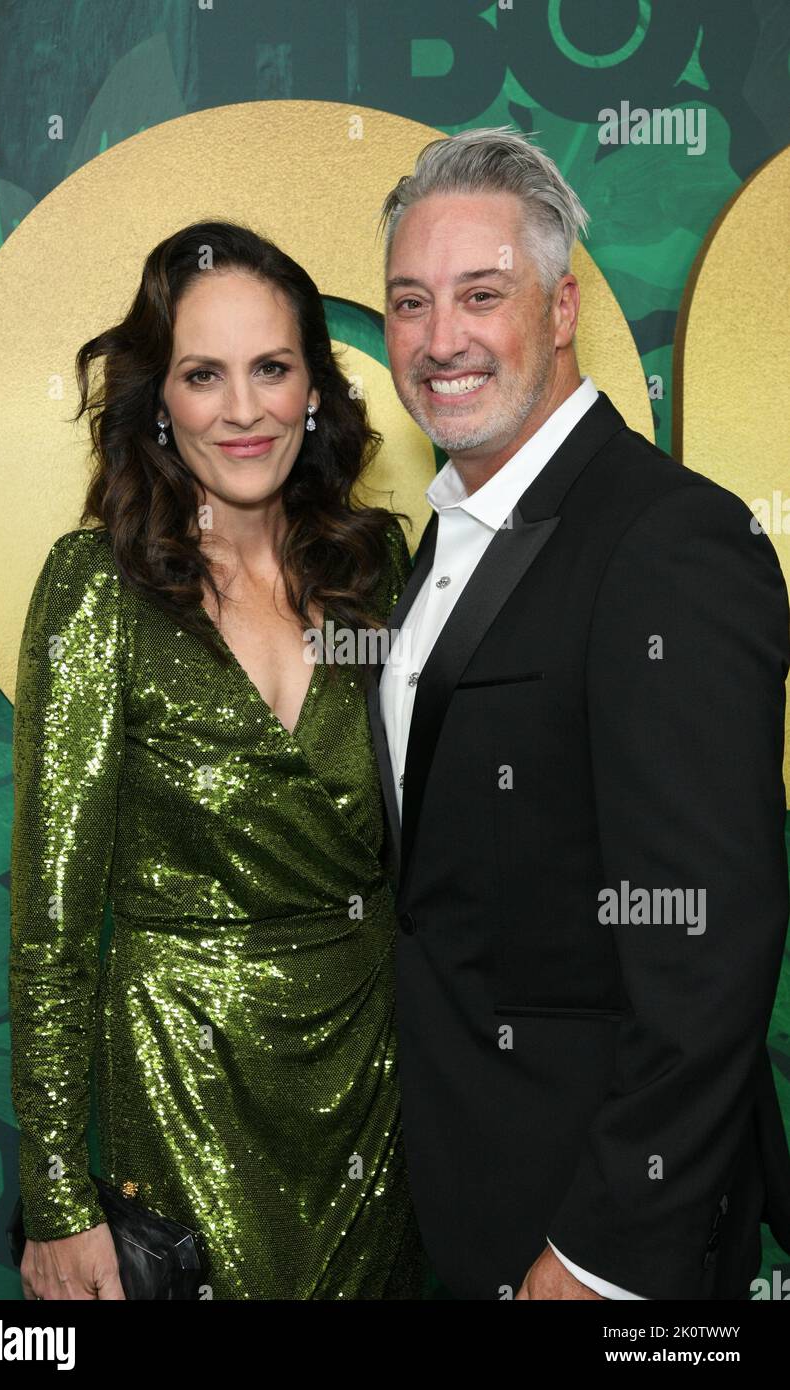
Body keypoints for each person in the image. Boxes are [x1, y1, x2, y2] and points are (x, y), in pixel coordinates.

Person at [365, 126, 790, 1300]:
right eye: (408, 301)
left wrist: (605, 1253)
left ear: (559, 309)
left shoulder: (668, 543)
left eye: (479, 294)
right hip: (458, 1186)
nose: (438, 339)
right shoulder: (449, 531)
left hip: (592, 1221)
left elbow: (709, 938)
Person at [8, 220, 429, 1300]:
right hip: (182, 1086)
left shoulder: (379, 566)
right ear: (159, 399)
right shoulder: (96, 589)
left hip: (373, 1090)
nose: (243, 411)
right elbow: (52, 929)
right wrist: (58, 1199)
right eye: (204, 374)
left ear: (312, 390)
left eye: (271, 368)